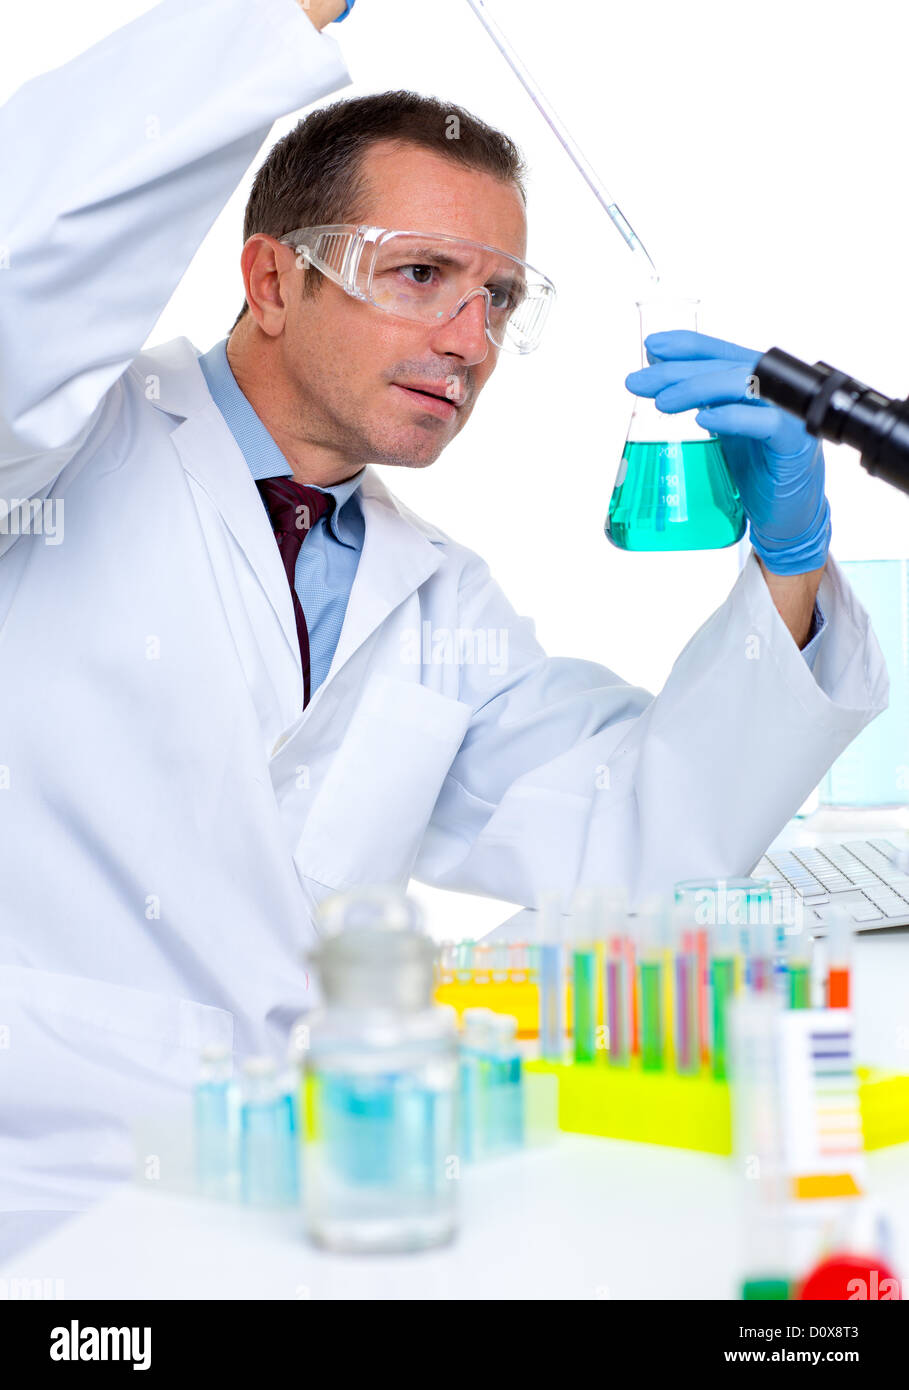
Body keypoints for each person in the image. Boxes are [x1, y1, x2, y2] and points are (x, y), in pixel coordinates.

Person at [0, 0, 887, 1251]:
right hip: (32, 1196)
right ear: (270, 278)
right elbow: (21, 268)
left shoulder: (435, 598)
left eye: (502, 299)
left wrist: (790, 563)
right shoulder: (45, 463)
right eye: (422, 274)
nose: (469, 341)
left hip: (292, 1201)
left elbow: (630, 841)